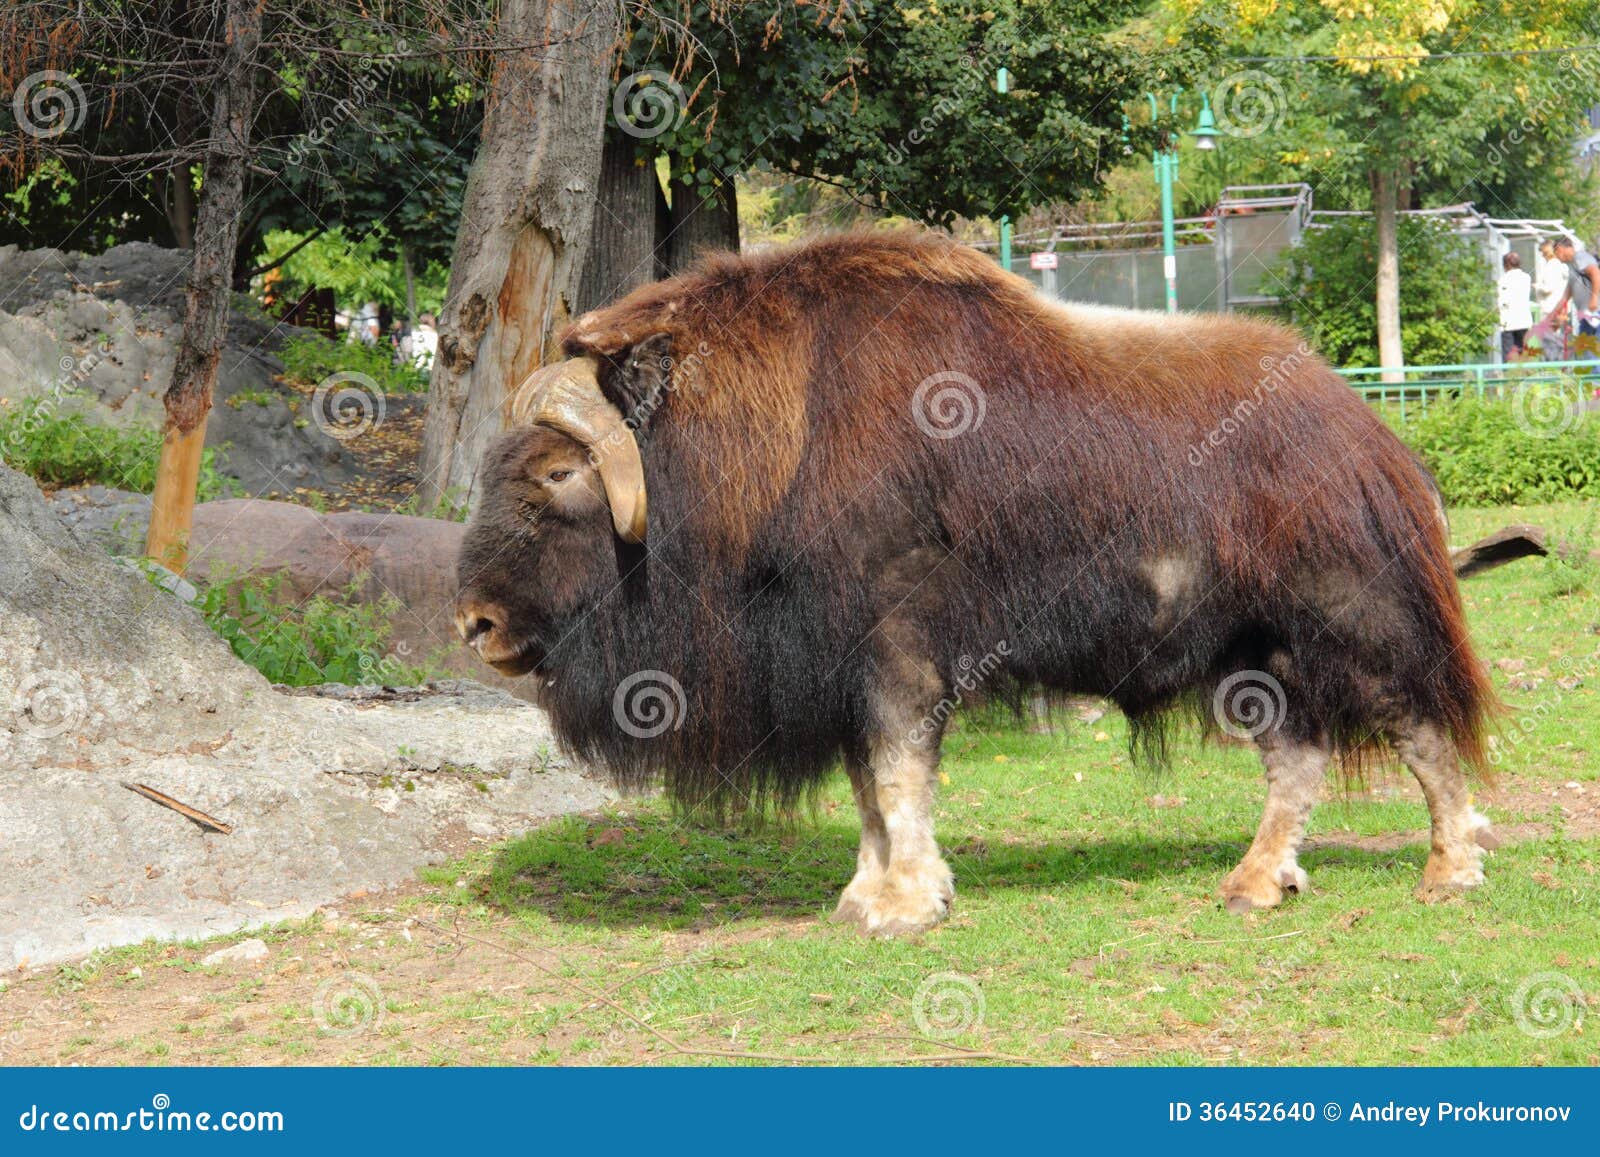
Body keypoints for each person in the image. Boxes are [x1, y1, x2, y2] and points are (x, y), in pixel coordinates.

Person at [1541, 235, 1600, 347]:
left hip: (1596, 313)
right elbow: (1565, 296)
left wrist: (1594, 300)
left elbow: (1596, 273)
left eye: (1556, 254)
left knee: (1592, 353)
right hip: (1587, 316)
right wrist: (1550, 317)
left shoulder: (1580, 257)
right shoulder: (1572, 267)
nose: (1557, 258)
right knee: (1584, 351)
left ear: (1560, 249)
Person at [1533, 239, 1570, 358]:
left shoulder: (1551, 265)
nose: (1541, 255)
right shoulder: (1561, 265)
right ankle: (1561, 366)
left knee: (1549, 340)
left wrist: (1536, 286)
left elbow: (1548, 288)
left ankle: (1553, 367)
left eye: (1542, 252)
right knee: (1557, 339)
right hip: (1559, 308)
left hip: (1550, 308)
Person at [1497, 251, 1532, 360]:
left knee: (1509, 354)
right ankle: (1524, 375)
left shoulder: (1503, 280)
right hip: (1524, 320)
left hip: (1508, 322)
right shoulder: (1527, 277)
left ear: (1506, 264)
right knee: (1523, 352)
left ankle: (1509, 375)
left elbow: (1502, 301)